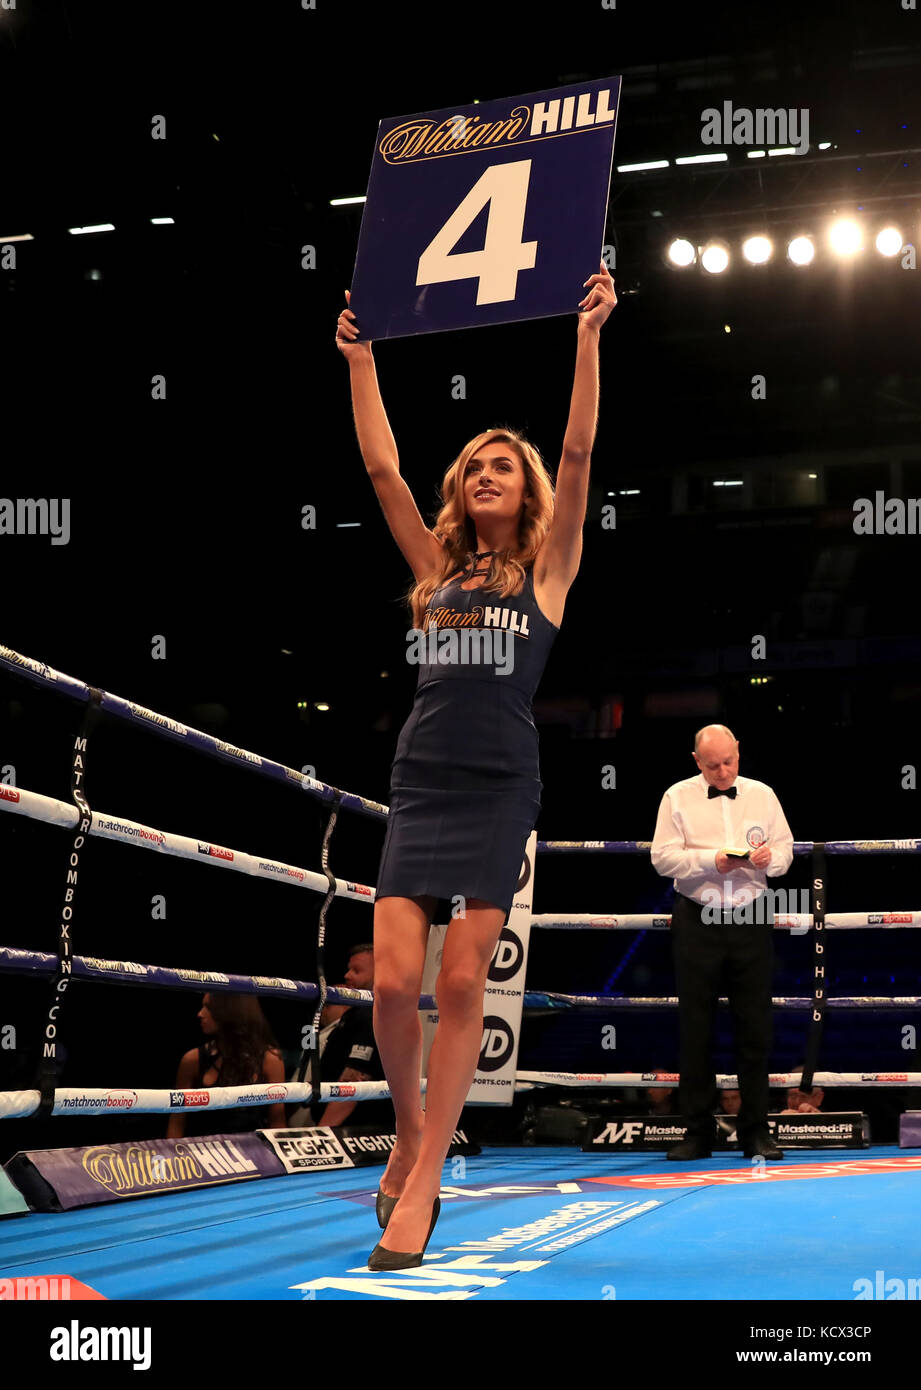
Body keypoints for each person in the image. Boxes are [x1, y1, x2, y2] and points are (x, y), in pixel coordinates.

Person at [336, 260, 617, 1268]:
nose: (486, 474)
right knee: (389, 987)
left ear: (525, 489)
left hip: (501, 788)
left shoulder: (550, 571)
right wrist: (361, 359)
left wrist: (586, 336)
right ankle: (413, 1135)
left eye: (503, 465)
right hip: (420, 783)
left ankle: (428, 1182)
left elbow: (577, 451)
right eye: (473, 466)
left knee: (460, 985)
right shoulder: (435, 571)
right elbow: (383, 473)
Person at [650, 724, 794, 1161]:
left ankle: (756, 1131)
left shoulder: (763, 795)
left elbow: (786, 852)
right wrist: (710, 861)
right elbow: (661, 857)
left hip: (751, 916)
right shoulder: (677, 796)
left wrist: (771, 859)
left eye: (728, 762)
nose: (722, 772)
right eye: (712, 765)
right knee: (696, 1028)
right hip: (698, 917)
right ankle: (697, 1133)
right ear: (697, 761)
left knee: (755, 1028)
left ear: (739, 753)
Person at [287, 943, 394, 1130]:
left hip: (354, 1128)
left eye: (356, 971)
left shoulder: (369, 1015)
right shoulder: (355, 1013)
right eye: (349, 969)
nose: (347, 976)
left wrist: (322, 1132)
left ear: (380, 974)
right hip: (342, 1125)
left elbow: (353, 1082)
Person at [166, 992, 286, 1138]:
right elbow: (177, 1124)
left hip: (252, 1149)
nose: (200, 1014)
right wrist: (173, 1152)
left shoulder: (270, 1060)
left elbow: (277, 1123)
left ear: (230, 1010)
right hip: (204, 1148)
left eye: (209, 1008)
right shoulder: (193, 1060)